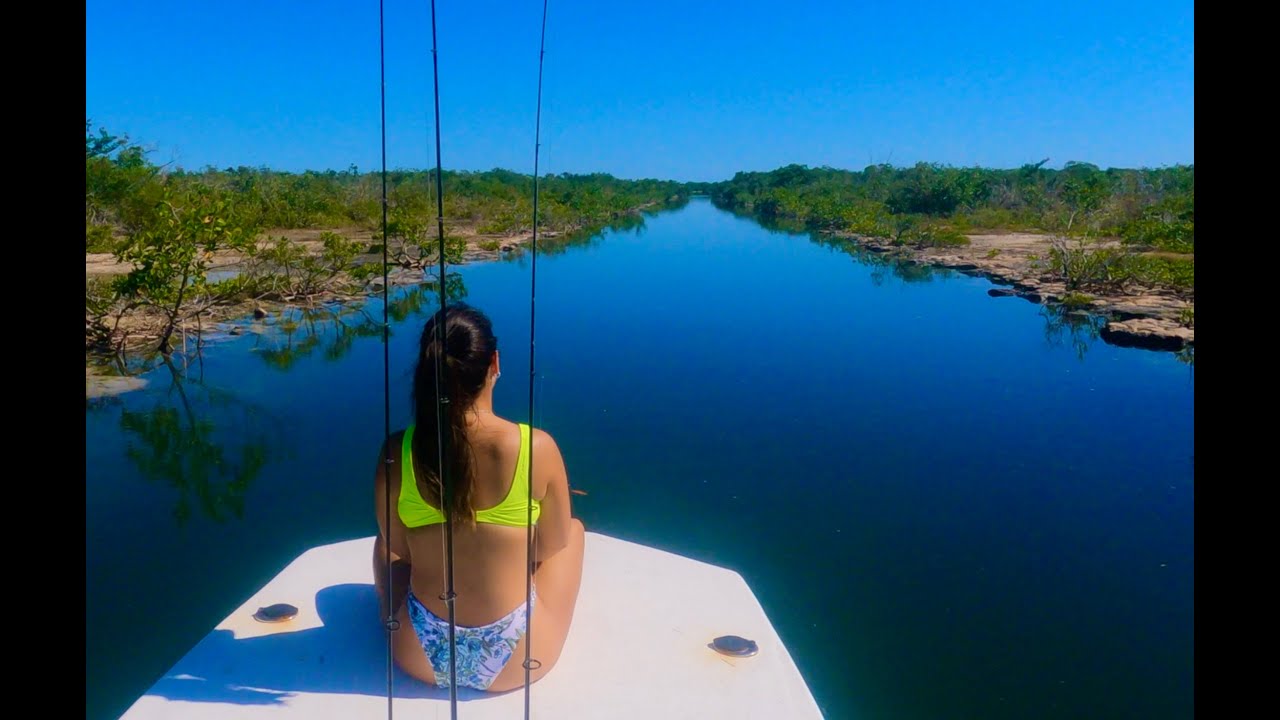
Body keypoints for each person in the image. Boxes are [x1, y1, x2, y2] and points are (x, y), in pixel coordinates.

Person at [373, 303, 584, 692]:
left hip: (418, 653)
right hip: (518, 656)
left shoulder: (395, 450)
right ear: (495, 363)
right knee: (573, 529)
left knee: (383, 547)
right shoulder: (536, 447)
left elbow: (401, 549)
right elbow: (551, 545)